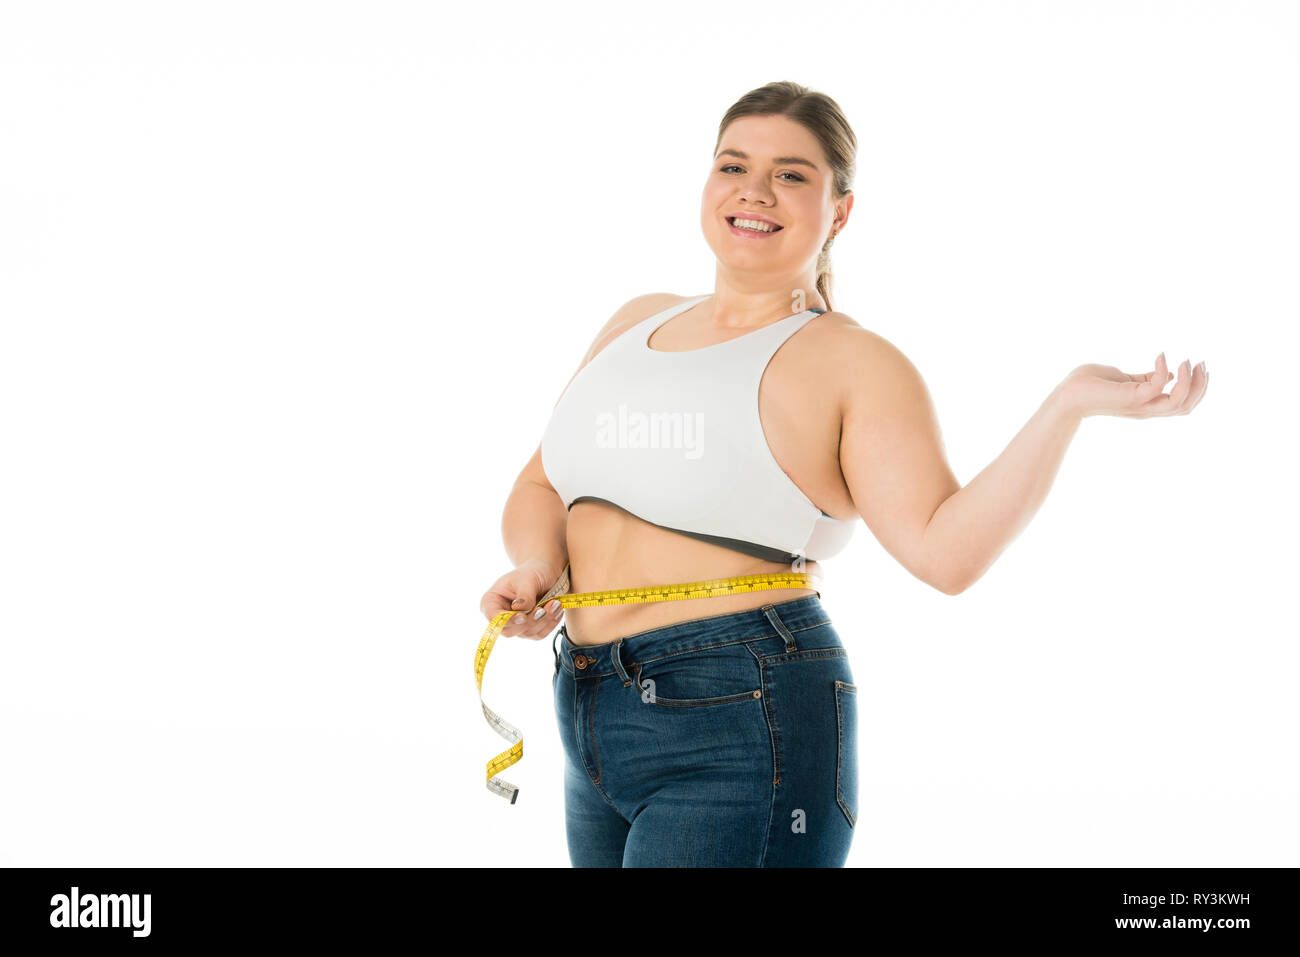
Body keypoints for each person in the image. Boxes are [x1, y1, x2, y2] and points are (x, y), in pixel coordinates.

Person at [479, 81, 1208, 867]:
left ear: (841, 210)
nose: (754, 190)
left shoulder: (852, 362)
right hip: (588, 699)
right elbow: (543, 483)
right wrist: (539, 567)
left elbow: (944, 551)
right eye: (734, 165)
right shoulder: (634, 320)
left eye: (791, 174)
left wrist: (1065, 406)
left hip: (741, 708)